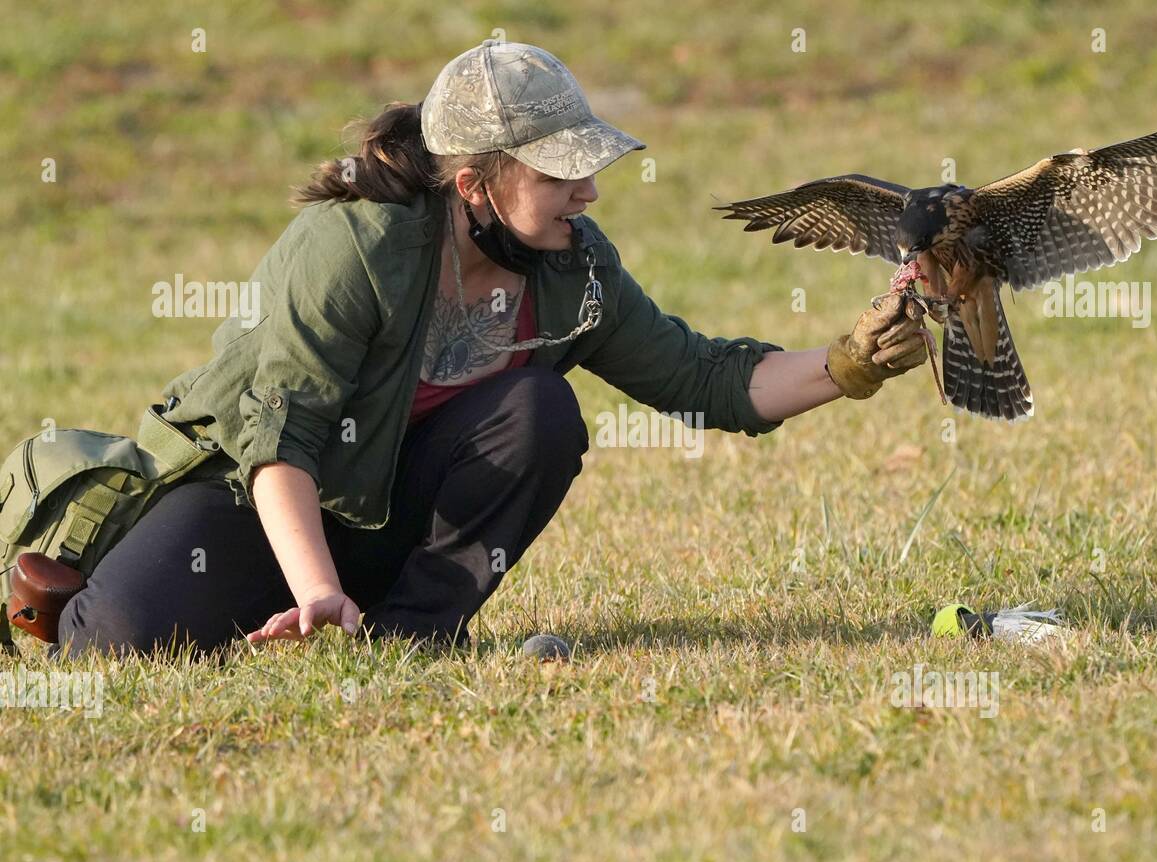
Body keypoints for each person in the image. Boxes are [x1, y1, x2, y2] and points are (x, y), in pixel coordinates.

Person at [55, 39, 928, 657]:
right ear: (474, 183)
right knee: (122, 643)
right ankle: (75, 591)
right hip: (256, 499)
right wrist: (317, 590)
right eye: (558, 174)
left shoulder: (573, 269)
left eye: (588, 168)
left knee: (538, 410)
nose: (587, 190)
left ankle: (410, 638)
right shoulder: (355, 246)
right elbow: (282, 439)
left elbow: (705, 379)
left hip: (376, 520)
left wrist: (848, 362)